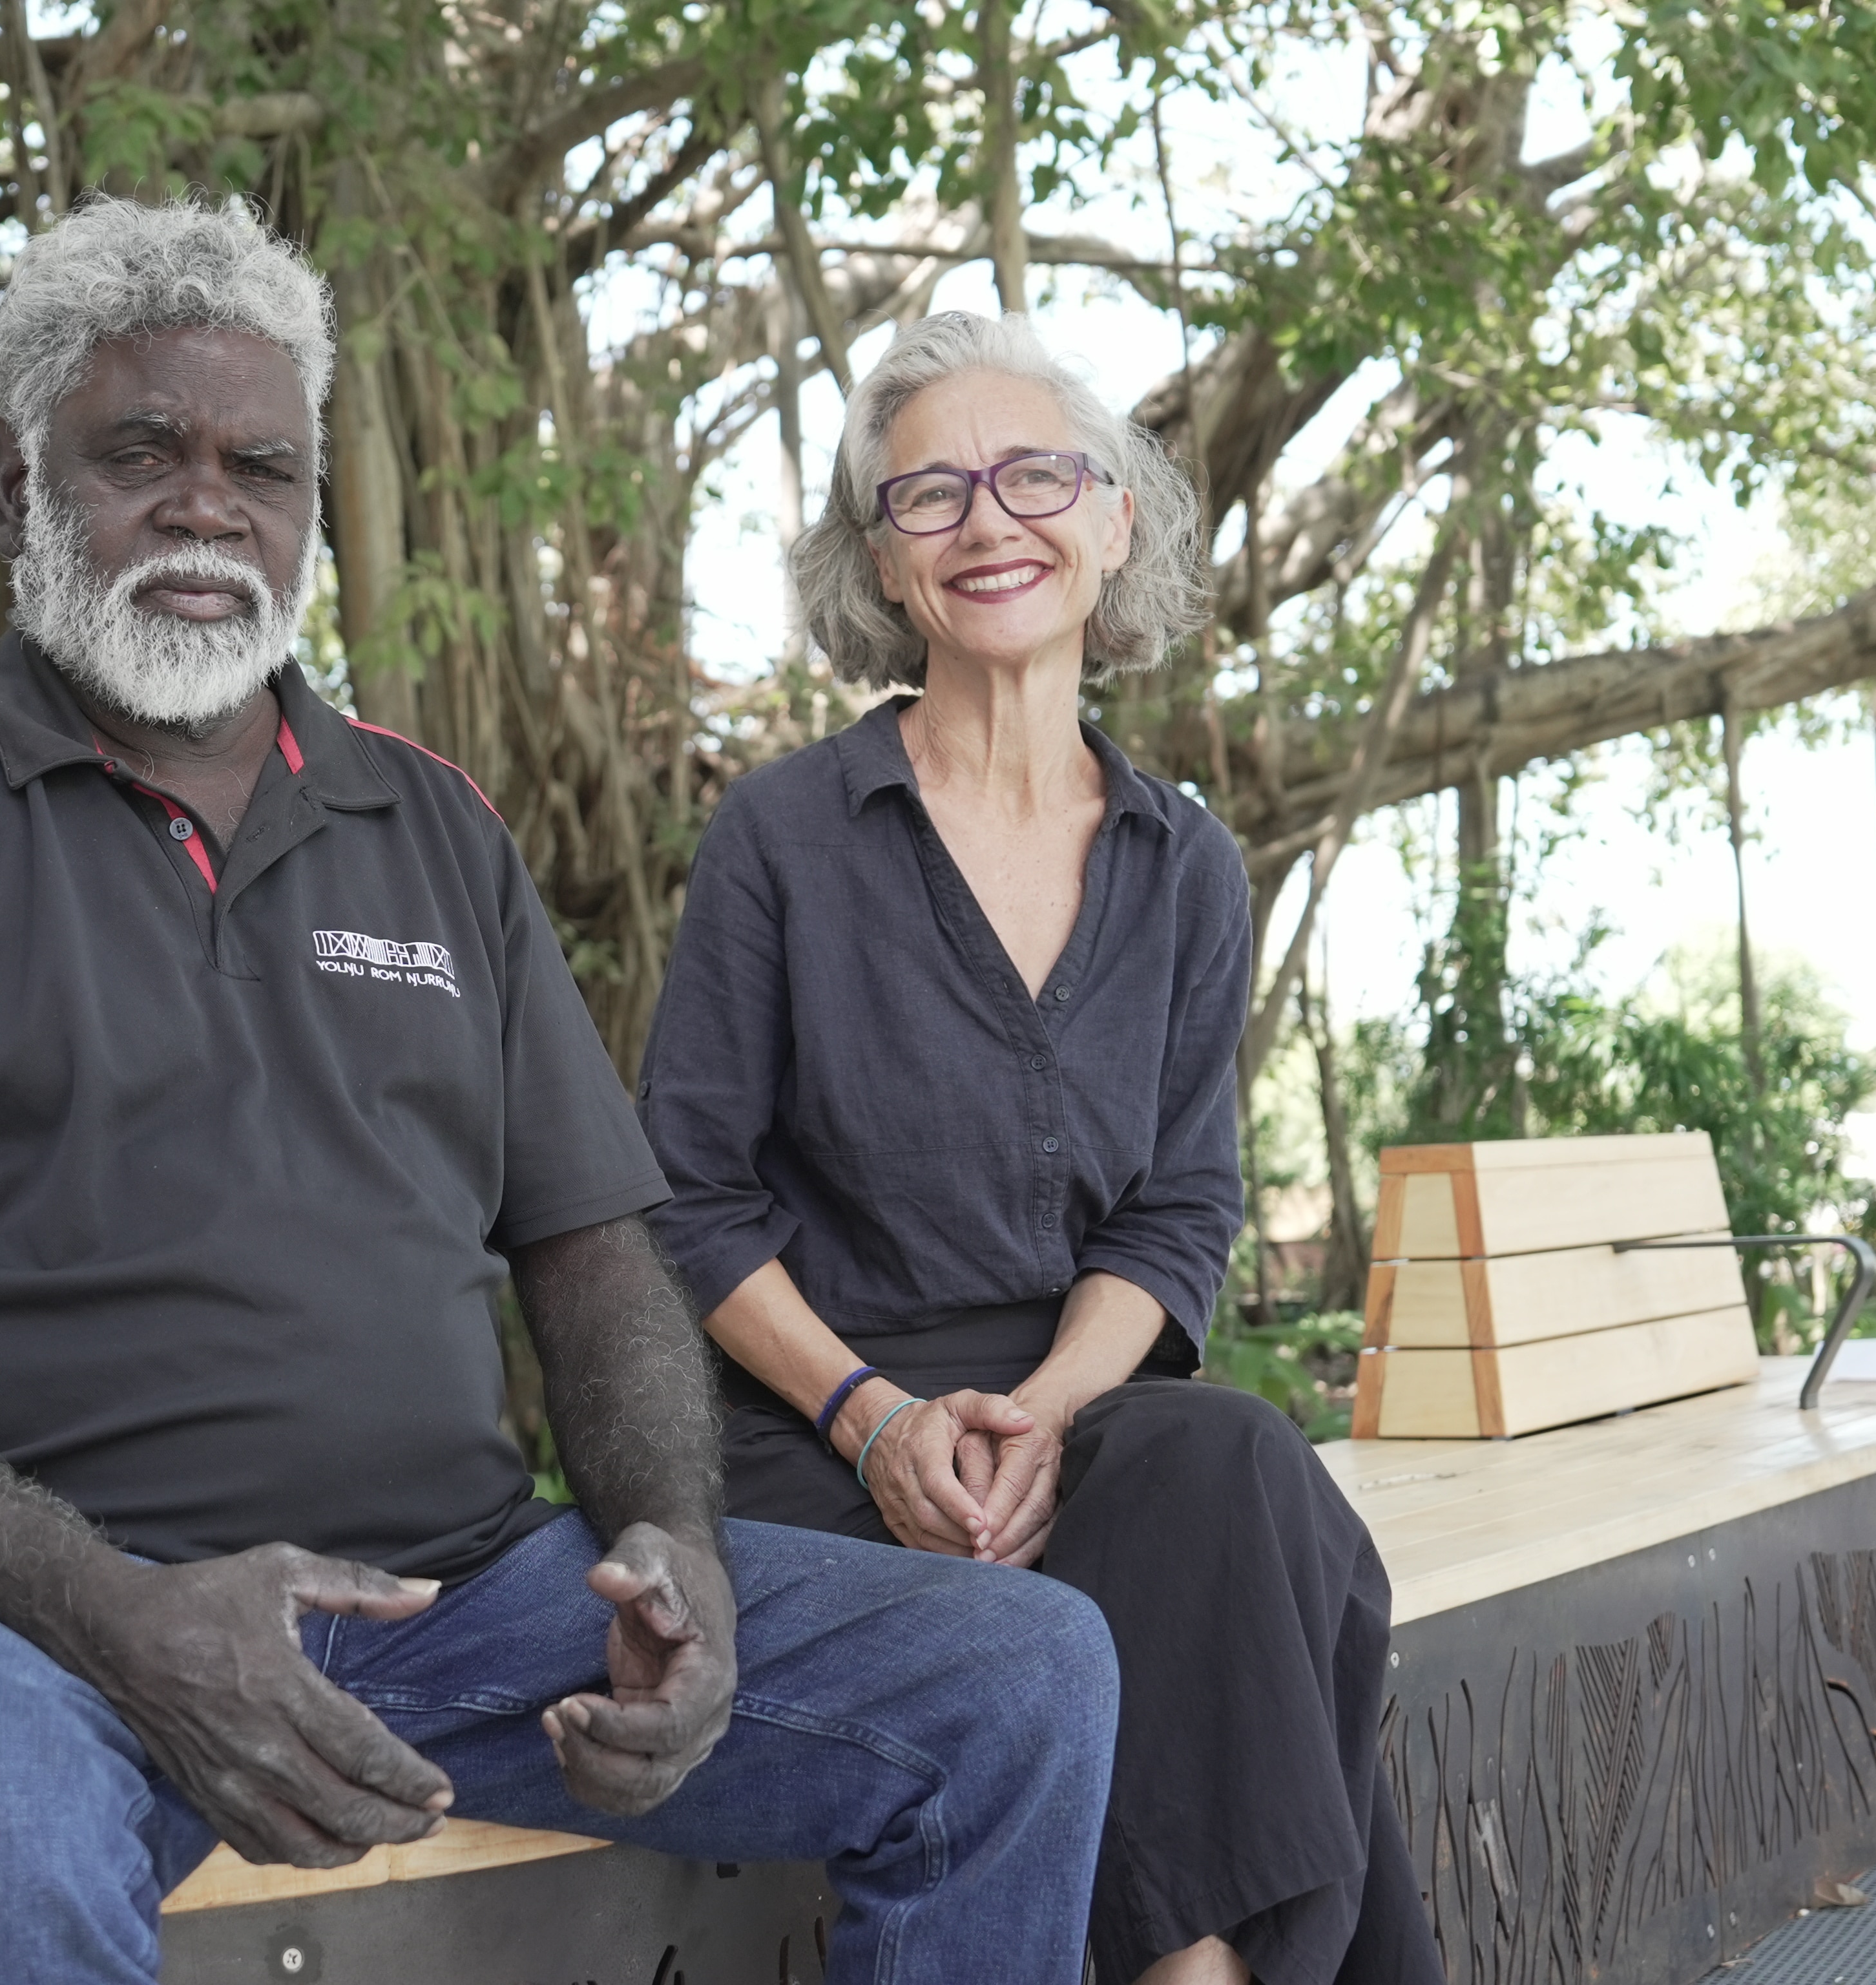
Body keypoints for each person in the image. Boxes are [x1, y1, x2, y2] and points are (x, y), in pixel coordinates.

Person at [0, 200, 1118, 1985]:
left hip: (460, 1604)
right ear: (22, 482)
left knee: (1020, 1678)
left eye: (261, 465)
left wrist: (675, 1549)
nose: (206, 506)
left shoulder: (432, 827)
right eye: (141, 454)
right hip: (18, 1633)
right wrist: (116, 1613)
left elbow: (596, 1261)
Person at [638, 311, 1444, 1985]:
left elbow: (1177, 1208)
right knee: (1245, 1556)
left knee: (1225, 1470)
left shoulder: (1183, 867)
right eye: (929, 496)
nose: (987, 522)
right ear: (882, 563)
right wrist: (877, 1422)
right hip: (825, 1426)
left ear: (1116, 520)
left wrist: (1051, 1413)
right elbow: (687, 1200)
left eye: (1031, 476)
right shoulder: (785, 836)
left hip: (1081, 1407)